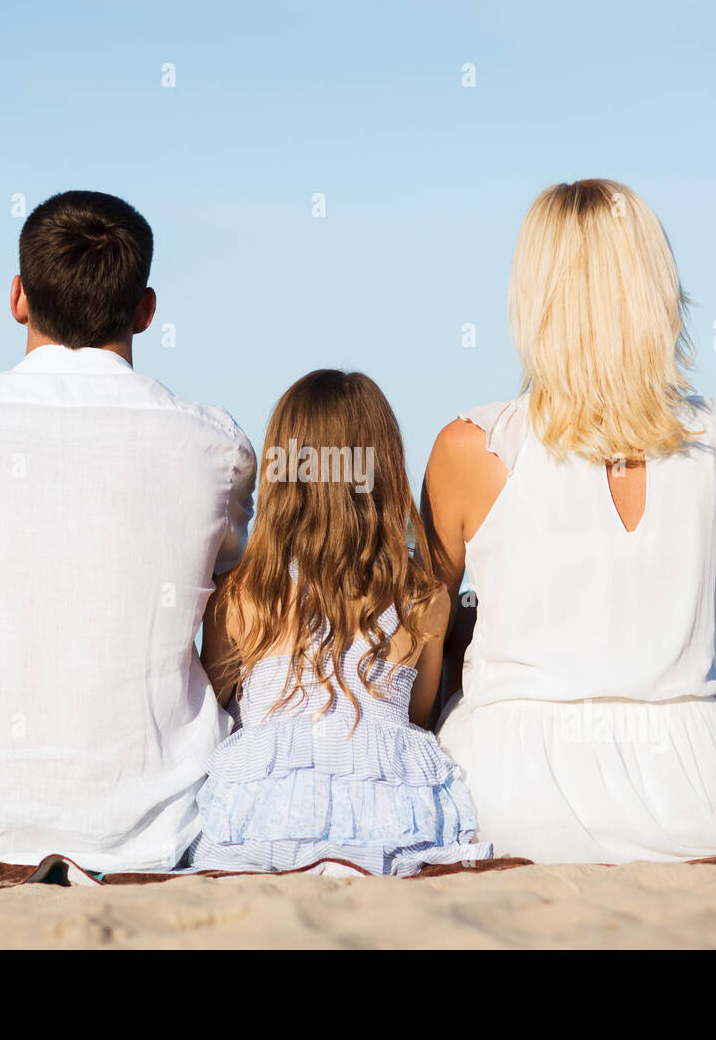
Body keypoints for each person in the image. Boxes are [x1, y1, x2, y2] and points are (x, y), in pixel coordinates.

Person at [0, 191, 256, 872]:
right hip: (154, 832)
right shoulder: (211, 442)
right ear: (145, 309)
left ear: (18, 298)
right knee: (227, 573)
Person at [423, 179, 716, 864]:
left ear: (535, 294)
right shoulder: (712, 439)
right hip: (699, 790)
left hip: (515, 789)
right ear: (653, 288)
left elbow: (423, 639)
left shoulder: (475, 447)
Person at [187, 370, 493, 875]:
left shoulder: (241, 597)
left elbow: (208, 710)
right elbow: (418, 720)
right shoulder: (424, 602)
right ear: (386, 472)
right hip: (389, 830)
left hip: (261, 830)